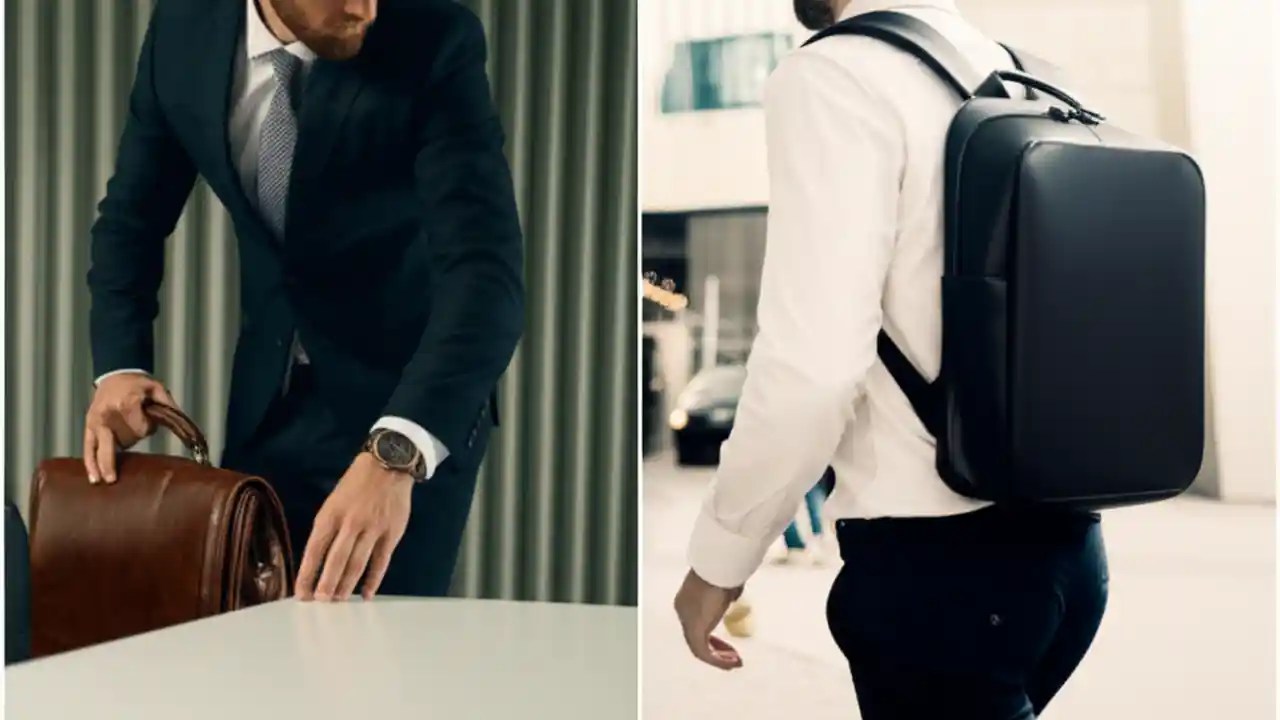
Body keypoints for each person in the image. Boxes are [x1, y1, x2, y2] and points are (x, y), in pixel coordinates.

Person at [673, 1, 1107, 718]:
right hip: (1073, 554)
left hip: (939, 577)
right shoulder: (1032, 77)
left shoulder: (835, 74)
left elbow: (811, 366)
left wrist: (720, 560)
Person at [82, 0, 523, 602]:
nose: (365, 7)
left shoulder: (432, 36)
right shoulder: (184, 33)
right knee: (251, 659)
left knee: (371, 663)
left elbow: (485, 274)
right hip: (269, 404)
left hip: (409, 406)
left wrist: (396, 454)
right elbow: (131, 220)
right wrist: (120, 365)